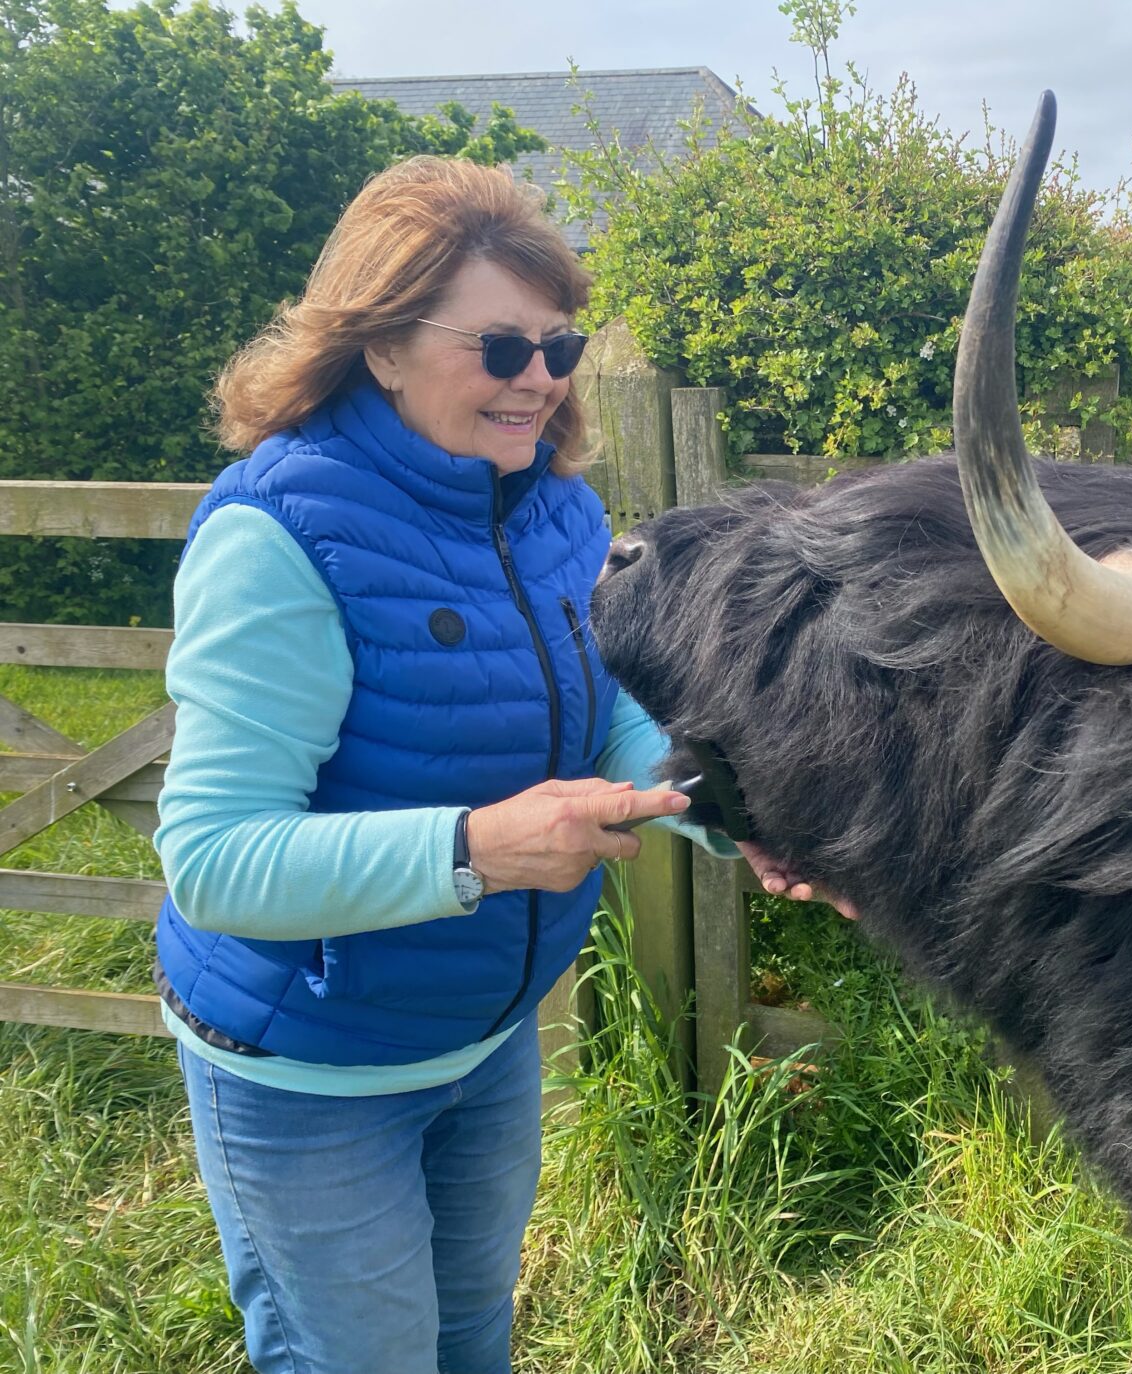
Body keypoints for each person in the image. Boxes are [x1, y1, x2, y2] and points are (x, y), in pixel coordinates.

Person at [152, 156, 816, 1374]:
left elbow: (604, 715)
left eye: (558, 351)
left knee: (472, 1342)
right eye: (502, 349)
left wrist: (723, 809)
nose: (540, 385)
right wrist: (474, 849)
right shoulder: (278, 536)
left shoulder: (552, 507)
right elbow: (213, 860)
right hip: (311, 1067)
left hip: (487, 1037)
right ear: (383, 343)